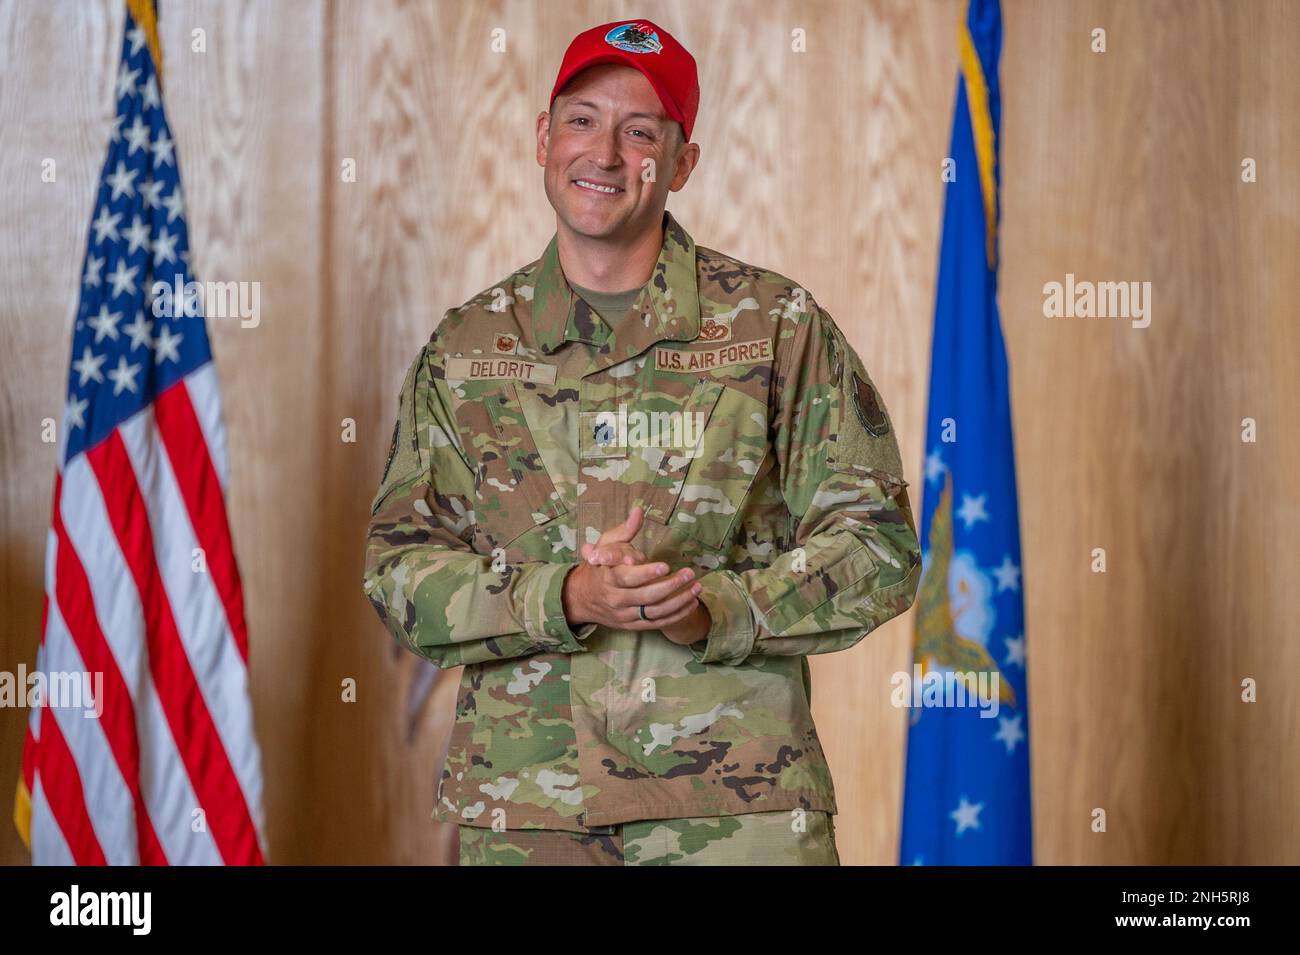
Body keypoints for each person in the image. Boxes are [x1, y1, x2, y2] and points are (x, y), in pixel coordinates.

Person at [362, 18, 922, 866]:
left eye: (640, 132)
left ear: (682, 163)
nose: (605, 154)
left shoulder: (775, 328)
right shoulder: (466, 349)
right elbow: (397, 571)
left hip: (738, 808)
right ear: (543, 139)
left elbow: (879, 548)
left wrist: (720, 610)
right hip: (529, 809)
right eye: (582, 120)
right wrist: (566, 597)